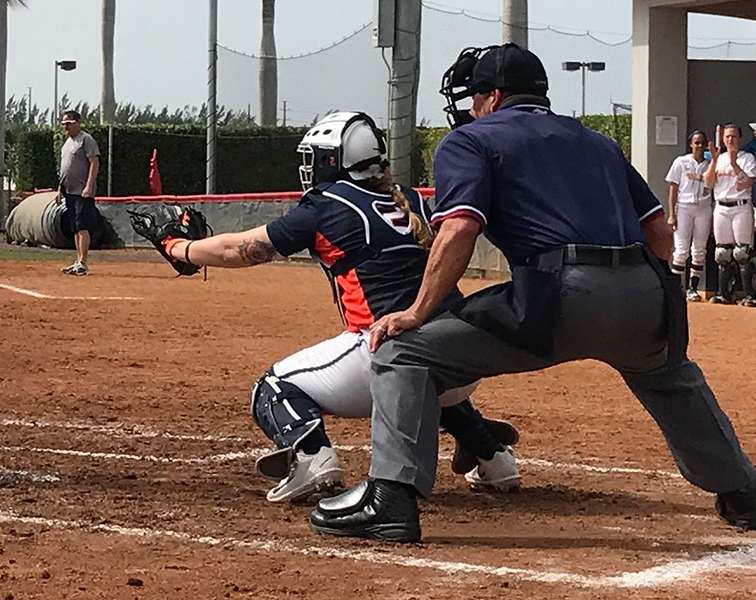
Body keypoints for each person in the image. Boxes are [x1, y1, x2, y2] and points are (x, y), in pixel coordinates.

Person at [308, 44, 756, 543]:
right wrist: (654, 297)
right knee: (671, 378)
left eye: (476, 96)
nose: (472, 108)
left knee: (402, 351)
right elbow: (656, 230)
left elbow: (458, 231)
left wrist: (416, 310)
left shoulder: (471, 141)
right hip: (644, 290)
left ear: (493, 96)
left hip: (557, 293)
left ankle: (391, 499)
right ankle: (742, 490)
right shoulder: (597, 141)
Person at [156, 111, 520, 503]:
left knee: (273, 387)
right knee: (428, 375)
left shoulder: (327, 203)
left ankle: (312, 457)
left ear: (335, 161)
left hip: (385, 351)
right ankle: (493, 456)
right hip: (463, 358)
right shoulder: (413, 200)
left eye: (317, 157)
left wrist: (181, 249)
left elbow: (241, 250)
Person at [703, 123, 756, 305]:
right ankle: (724, 293)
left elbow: (745, 184)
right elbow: (708, 183)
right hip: (721, 207)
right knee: (722, 252)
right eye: (727, 137)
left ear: (739, 138)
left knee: (742, 252)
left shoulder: (747, 158)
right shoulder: (718, 158)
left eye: (733, 136)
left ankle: (749, 293)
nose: (730, 140)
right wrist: (714, 161)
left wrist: (734, 164)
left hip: (740, 206)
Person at [665, 130, 713, 301]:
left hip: (703, 208)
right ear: (691, 144)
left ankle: (692, 288)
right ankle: (676, 289)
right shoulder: (681, 162)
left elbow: (713, 187)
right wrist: (672, 214)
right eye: (696, 142)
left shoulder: (709, 165)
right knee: (681, 250)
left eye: (702, 142)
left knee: (699, 250)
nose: (699, 146)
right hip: (684, 207)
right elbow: (673, 189)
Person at [54, 109, 101, 275]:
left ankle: (83, 262)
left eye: (69, 124)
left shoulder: (86, 139)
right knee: (74, 227)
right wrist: (60, 190)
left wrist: (89, 186)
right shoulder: (68, 143)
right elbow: (65, 169)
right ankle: (77, 260)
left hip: (82, 191)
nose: (66, 127)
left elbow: (94, 162)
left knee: (82, 226)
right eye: (64, 124)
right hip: (69, 191)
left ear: (78, 122)